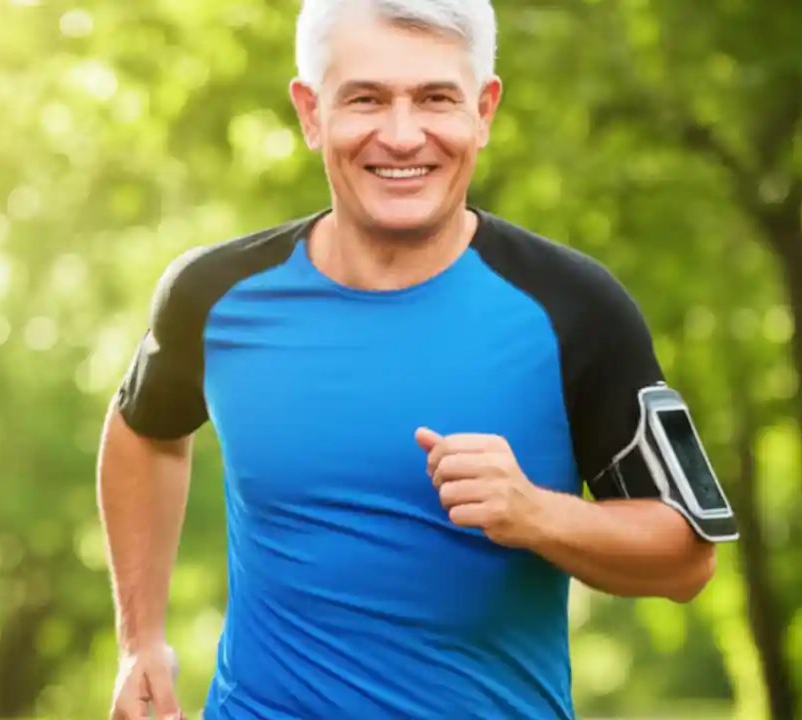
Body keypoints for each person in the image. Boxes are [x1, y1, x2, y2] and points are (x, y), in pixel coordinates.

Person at [97, 1, 736, 717]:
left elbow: (688, 556)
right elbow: (144, 431)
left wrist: (536, 514)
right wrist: (141, 639)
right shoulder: (214, 297)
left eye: (436, 98)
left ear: (484, 110)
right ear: (311, 112)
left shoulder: (574, 309)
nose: (402, 137)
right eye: (365, 99)